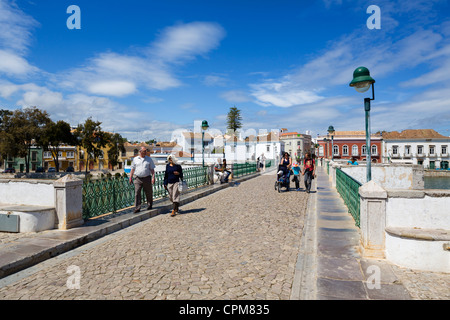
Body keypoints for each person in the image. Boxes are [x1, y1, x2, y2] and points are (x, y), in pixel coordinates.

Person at [129, 147, 156, 213]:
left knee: (149, 192)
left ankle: (149, 204)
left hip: (147, 178)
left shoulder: (149, 159)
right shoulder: (135, 159)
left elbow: (152, 169)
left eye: (146, 151)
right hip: (138, 178)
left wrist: (153, 177)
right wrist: (130, 177)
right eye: (144, 151)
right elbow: (132, 169)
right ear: (140, 151)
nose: (145, 152)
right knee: (137, 192)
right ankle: (137, 207)